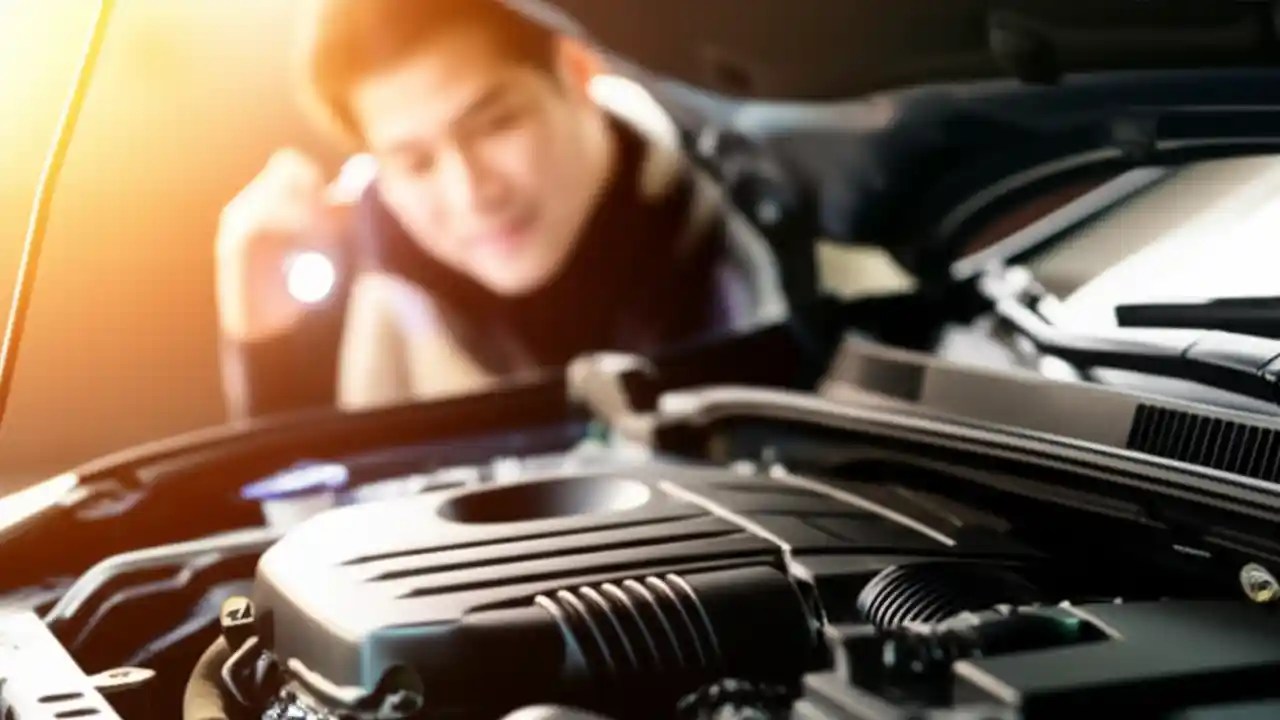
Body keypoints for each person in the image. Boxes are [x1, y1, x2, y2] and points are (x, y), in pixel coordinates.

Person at [215, 0, 786, 420]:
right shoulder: (374, 292)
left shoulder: (759, 222)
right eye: (415, 163)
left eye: (497, 125)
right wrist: (269, 355)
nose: (470, 193)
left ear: (579, 70)